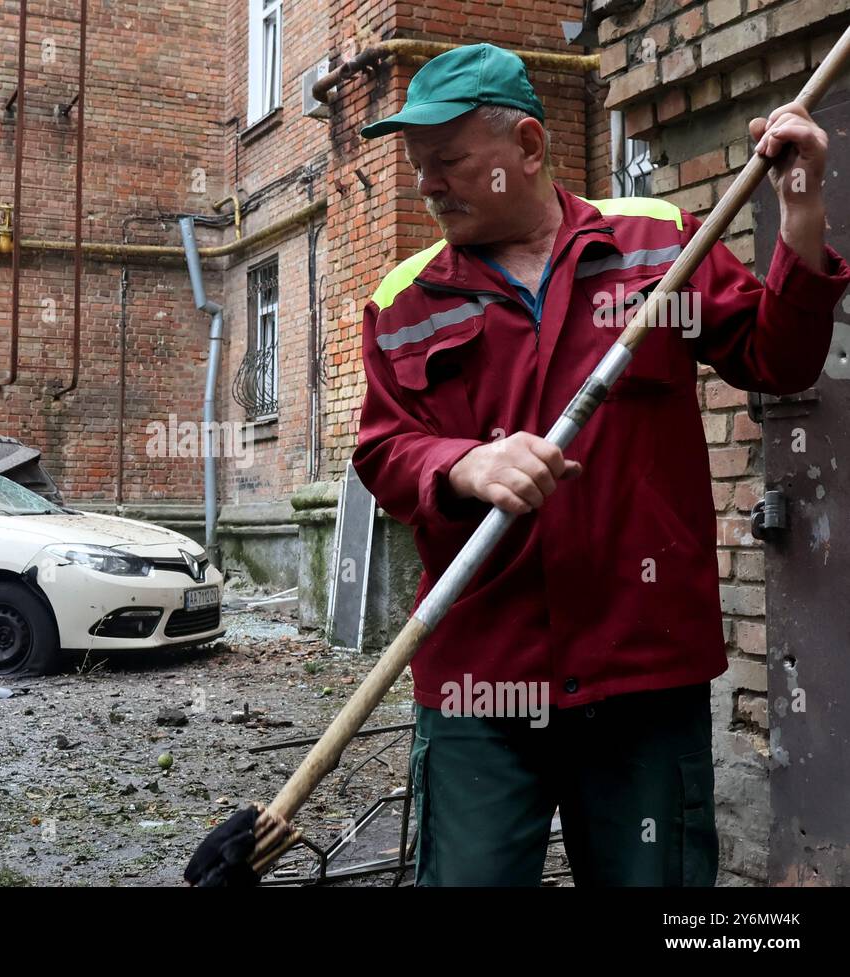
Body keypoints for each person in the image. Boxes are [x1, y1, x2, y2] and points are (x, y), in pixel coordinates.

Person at [186, 43, 850, 887]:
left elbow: (780, 361)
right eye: (418, 165)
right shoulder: (405, 301)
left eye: (449, 162)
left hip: (641, 671)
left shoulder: (659, 248)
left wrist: (799, 213)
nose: (427, 184)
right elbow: (384, 450)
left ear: (528, 149)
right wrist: (464, 465)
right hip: (480, 682)